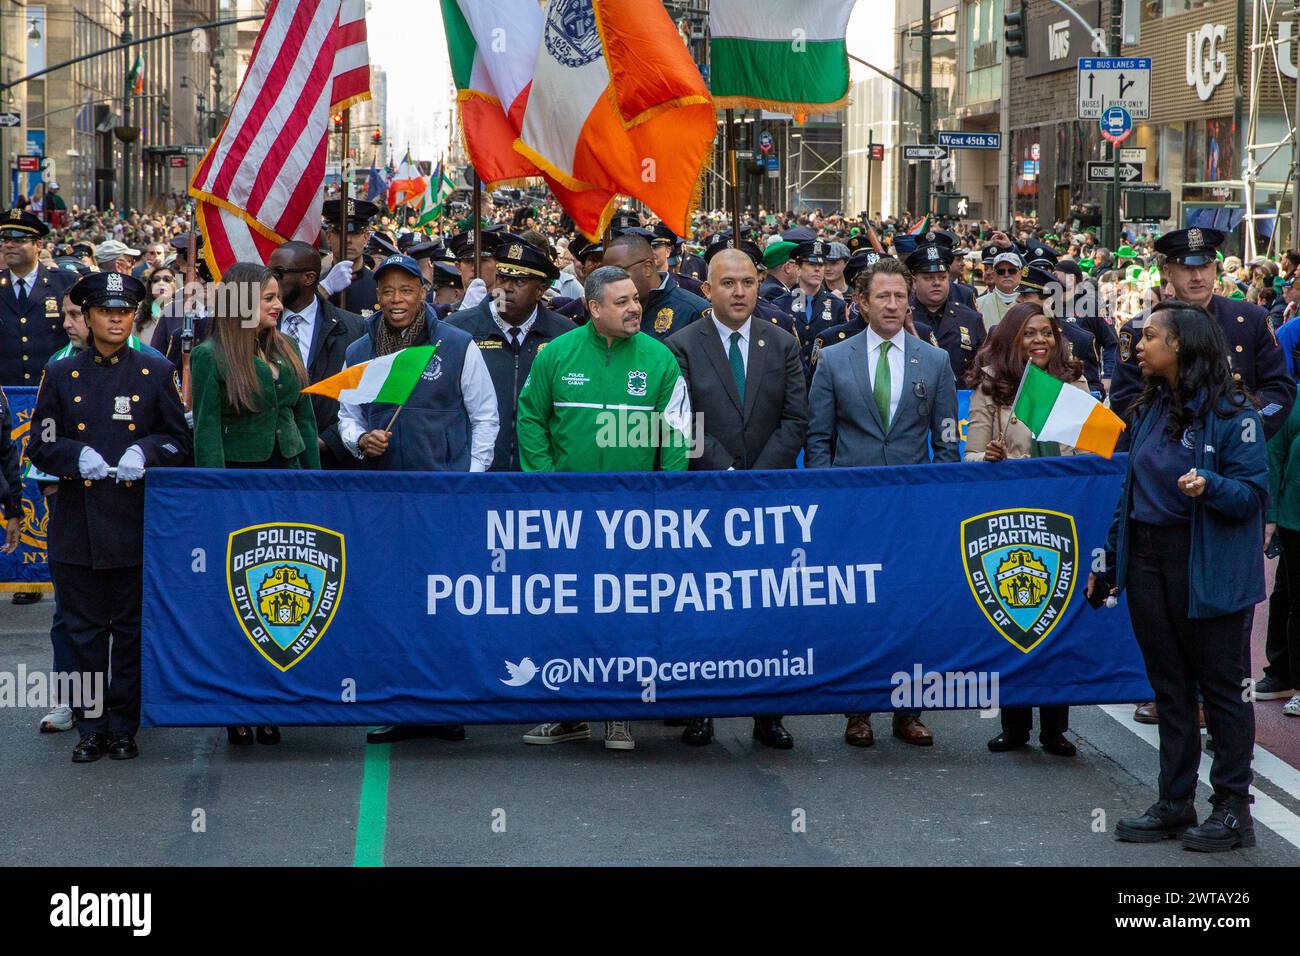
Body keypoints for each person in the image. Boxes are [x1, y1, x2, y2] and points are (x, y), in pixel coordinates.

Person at [1094, 301, 1267, 852]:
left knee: (1223, 695)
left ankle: (1233, 810)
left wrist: (1209, 487)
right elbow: (1131, 494)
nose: (1138, 346)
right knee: (1170, 689)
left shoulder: (1234, 412)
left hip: (1207, 568)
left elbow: (1253, 495)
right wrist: (1111, 560)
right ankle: (1174, 802)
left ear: (1182, 347)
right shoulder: (1148, 408)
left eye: (1150, 337)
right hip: (1147, 561)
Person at [1109, 227, 1295, 726]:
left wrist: (1240, 422)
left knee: (1225, 609)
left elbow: (1280, 387)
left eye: (1207, 265)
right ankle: (1173, 696)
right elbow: (1128, 404)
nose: (1198, 275)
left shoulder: (1249, 319)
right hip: (1167, 491)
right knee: (1165, 614)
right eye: (1186, 267)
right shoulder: (1142, 330)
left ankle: (1223, 709)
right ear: (1166, 272)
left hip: (1231, 475)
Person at [516, 264, 692, 751]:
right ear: (594, 309)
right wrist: (547, 486)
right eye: (622, 301)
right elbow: (531, 417)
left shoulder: (660, 359)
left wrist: (666, 496)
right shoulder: (556, 355)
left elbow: (676, 433)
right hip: (567, 517)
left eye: (636, 298)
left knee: (627, 614)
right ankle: (568, 712)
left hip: (631, 519)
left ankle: (621, 712)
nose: (635, 307)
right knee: (566, 610)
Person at [26, 271, 192, 763]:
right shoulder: (60, 374)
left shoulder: (154, 371)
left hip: (134, 521)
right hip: (77, 522)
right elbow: (40, 441)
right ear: (90, 317)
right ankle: (90, 725)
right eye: (105, 312)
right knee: (83, 631)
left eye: (124, 312)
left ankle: (124, 724)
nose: (116, 320)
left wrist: (145, 450)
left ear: (135, 316)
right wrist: (74, 456)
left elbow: (179, 441)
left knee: (131, 629)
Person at [806, 256, 959, 748]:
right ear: (862, 303)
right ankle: (858, 711)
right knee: (859, 610)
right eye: (883, 297)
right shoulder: (833, 358)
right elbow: (818, 439)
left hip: (913, 511)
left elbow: (949, 442)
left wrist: (936, 499)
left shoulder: (933, 361)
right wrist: (830, 500)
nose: (893, 305)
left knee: (910, 607)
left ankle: (908, 712)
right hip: (853, 509)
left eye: (899, 297)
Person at [665, 248, 808, 749]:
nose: (741, 292)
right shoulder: (680, 345)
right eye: (728, 283)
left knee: (768, 607)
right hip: (707, 498)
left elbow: (796, 419)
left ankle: (768, 713)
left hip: (769, 499)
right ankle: (701, 708)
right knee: (703, 606)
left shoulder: (782, 342)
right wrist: (726, 472)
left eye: (748, 282)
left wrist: (759, 477)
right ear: (707, 290)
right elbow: (680, 423)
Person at [191, 262, 320, 746]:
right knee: (241, 598)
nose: (278, 305)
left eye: (278, 297)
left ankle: (275, 700)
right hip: (240, 489)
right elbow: (205, 431)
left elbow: (302, 418)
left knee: (286, 592)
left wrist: (315, 484)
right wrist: (216, 500)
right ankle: (238, 704)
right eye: (267, 298)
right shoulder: (210, 356)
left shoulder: (284, 348)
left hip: (287, 480)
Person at [964, 302, 1087, 757]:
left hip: (1063, 515)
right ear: (1013, 339)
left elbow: (1091, 451)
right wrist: (989, 458)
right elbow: (970, 456)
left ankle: (1056, 729)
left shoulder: (1074, 382)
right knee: (1015, 616)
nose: (1040, 340)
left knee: (1057, 622)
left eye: (1047, 332)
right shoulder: (990, 388)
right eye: (1030, 333)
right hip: (1008, 518)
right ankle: (1014, 726)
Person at [338, 253, 498, 474]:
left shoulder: (457, 344)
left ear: (422, 293)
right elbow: (349, 415)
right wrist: (361, 438)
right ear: (378, 295)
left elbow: (484, 415)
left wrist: (472, 475)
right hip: (381, 484)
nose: (396, 299)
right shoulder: (358, 352)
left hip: (445, 484)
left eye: (406, 290)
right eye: (387, 291)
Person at [447, 234, 574, 472]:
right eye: (502, 277)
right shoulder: (458, 331)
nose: (506, 288)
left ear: (541, 289)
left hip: (541, 475)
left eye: (519, 281)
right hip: (473, 474)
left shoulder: (565, 336)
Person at [267, 241, 366, 470]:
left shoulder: (354, 329)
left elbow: (362, 395)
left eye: (278, 273)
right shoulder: (255, 325)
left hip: (332, 464)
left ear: (309, 278)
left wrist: (328, 440)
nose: (271, 281)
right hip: (270, 463)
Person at [905, 232, 986, 382]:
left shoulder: (970, 318)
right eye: (928, 277)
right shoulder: (903, 318)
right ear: (914, 282)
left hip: (959, 400)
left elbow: (983, 366)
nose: (936, 283)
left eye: (942, 277)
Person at [601, 232, 708, 341]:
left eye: (618, 272)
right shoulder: (606, 308)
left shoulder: (693, 311)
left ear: (647, 268)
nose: (611, 281)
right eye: (606, 275)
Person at [1265, 396, 1300, 716]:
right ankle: (1284, 674)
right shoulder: (1295, 398)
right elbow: (1275, 453)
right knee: (1288, 596)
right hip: (1294, 516)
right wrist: (1272, 513)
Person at [773, 240, 847, 371]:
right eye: (811, 264)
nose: (818, 269)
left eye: (821, 264)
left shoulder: (837, 305)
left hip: (824, 376)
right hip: (791, 377)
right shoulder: (781, 304)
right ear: (798, 269)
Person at [321, 198, 381, 317]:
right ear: (328, 237)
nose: (348, 240)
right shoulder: (318, 287)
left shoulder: (378, 286)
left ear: (366, 237)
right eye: (339, 232)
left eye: (355, 233)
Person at [976, 250, 1023, 329]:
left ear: (1020, 274)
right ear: (994, 275)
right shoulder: (979, 304)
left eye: (1012, 271)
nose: (1006, 275)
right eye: (1001, 271)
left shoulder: (1030, 302)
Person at [137, 264, 177, 347]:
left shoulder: (184, 311)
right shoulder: (137, 311)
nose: (161, 283)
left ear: (176, 285)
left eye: (167, 279)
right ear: (150, 286)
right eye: (156, 280)